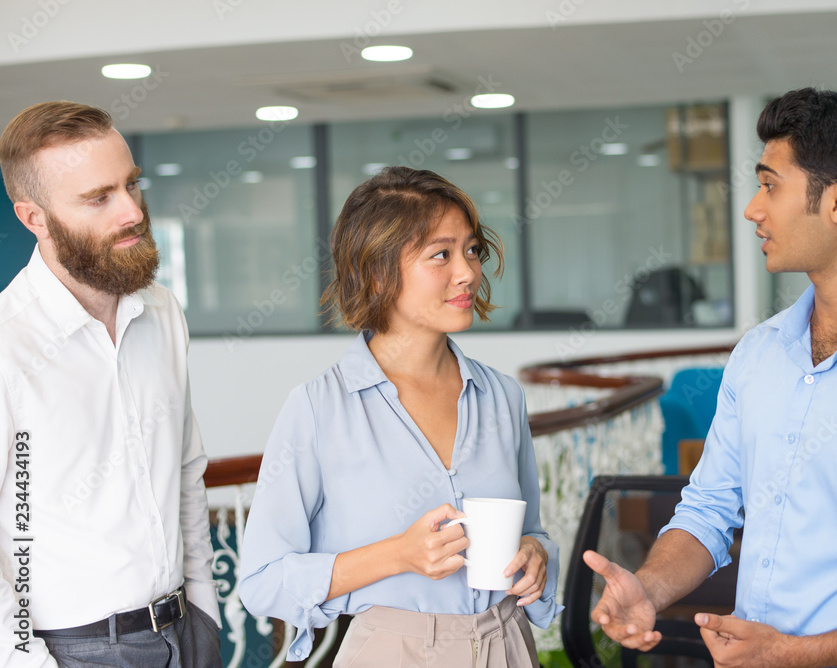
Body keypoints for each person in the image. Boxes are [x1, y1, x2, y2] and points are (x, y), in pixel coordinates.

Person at [585, 88, 837, 668]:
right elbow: (708, 509)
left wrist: (799, 654)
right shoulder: (758, 353)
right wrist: (649, 588)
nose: (754, 208)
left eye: (770, 184)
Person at [237, 166, 561, 666]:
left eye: (472, 249)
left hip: (509, 645)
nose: (468, 272)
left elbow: (532, 532)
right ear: (377, 272)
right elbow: (263, 581)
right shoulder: (319, 409)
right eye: (441, 255)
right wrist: (398, 555)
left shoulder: (503, 396)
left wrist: (536, 555)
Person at [0, 102, 222, 667]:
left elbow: (186, 472)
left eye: (131, 185)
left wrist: (205, 612)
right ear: (35, 218)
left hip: (184, 631)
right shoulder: (9, 342)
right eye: (98, 198)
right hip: (71, 649)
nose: (131, 211)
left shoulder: (163, 310)